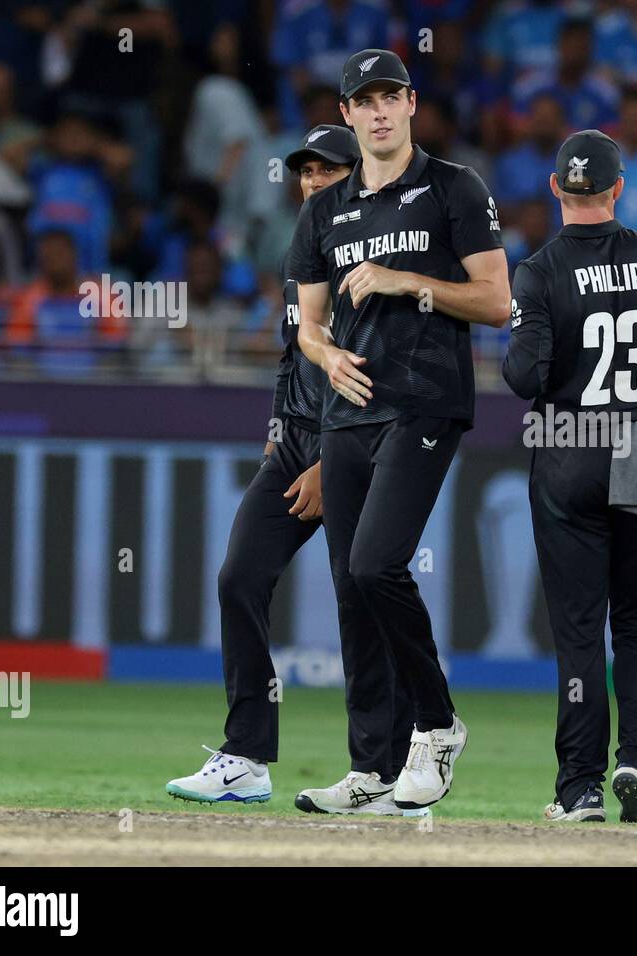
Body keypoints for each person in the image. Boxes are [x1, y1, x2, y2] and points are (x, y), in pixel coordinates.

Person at [290, 50, 510, 811]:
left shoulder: (454, 187)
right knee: (352, 587)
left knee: (378, 564)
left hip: (425, 400)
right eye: (365, 101)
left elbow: (496, 303)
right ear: (347, 114)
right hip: (347, 411)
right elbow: (308, 328)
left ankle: (438, 725)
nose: (380, 111)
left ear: (412, 105)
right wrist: (326, 358)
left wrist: (407, 278)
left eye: (392, 97)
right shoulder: (322, 209)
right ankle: (371, 770)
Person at [503, 129, 637, 823]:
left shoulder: (538, 271)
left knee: (576, 629)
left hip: (570, 446)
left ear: (556, 190)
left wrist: (525, 330)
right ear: (619, 189)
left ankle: (579, 788)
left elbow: (521, 378)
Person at [164, 125, 364, 808]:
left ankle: (385, 767)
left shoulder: (372, 256)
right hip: (295, 445)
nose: (313, 182)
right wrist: (280, 438)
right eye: (306, 172)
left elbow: (378, 372)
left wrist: (331, 462)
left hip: (356, 446)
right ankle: (247, 756)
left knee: (364, 598)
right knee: (240, 577)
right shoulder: (299, 251)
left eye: (329, 171)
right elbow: (293, 357)